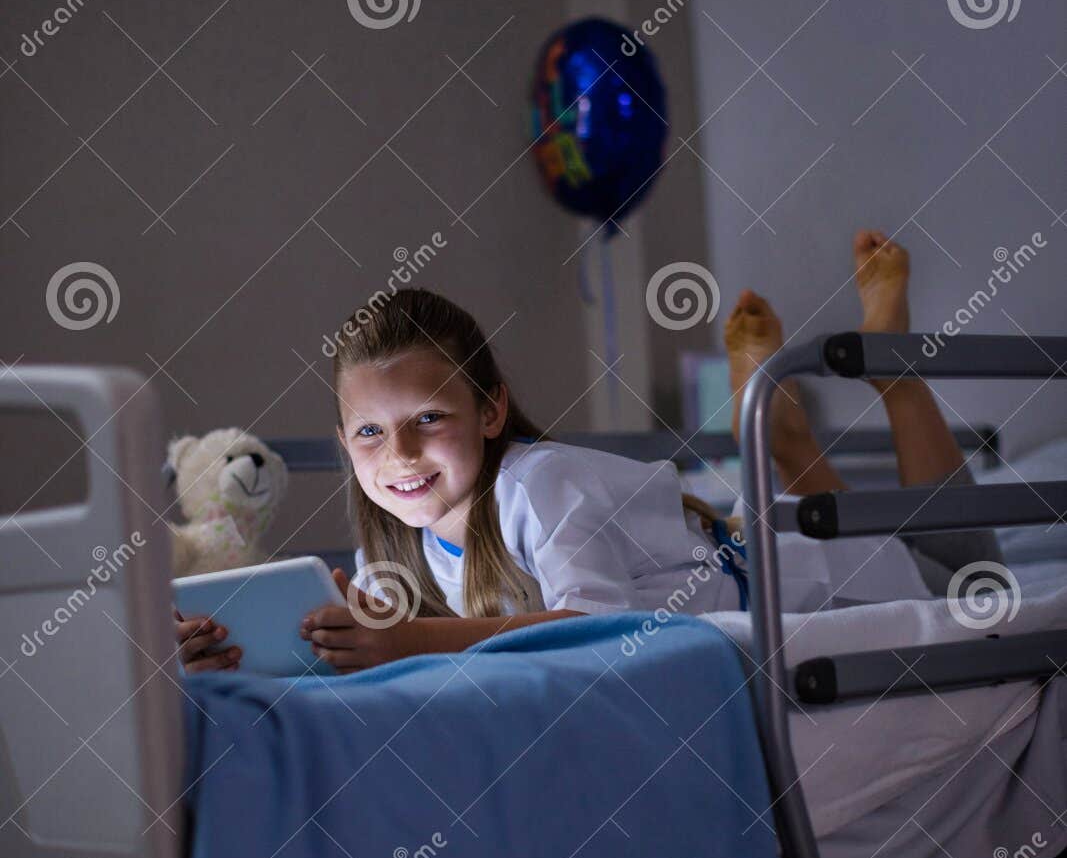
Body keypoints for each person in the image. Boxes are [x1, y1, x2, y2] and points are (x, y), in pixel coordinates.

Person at [175, 231, 988, 675]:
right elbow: (395, 657)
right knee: (792, 521)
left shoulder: (540, 481)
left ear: (491, 409)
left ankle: (895, 371)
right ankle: (777, 436)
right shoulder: (399, 543)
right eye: (369, 433)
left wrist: (406, 641)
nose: (400, 454)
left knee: (966, 570)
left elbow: (598, 629)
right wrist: (258, 653)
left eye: (427, 417)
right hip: (764, 545)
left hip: (856, 585)